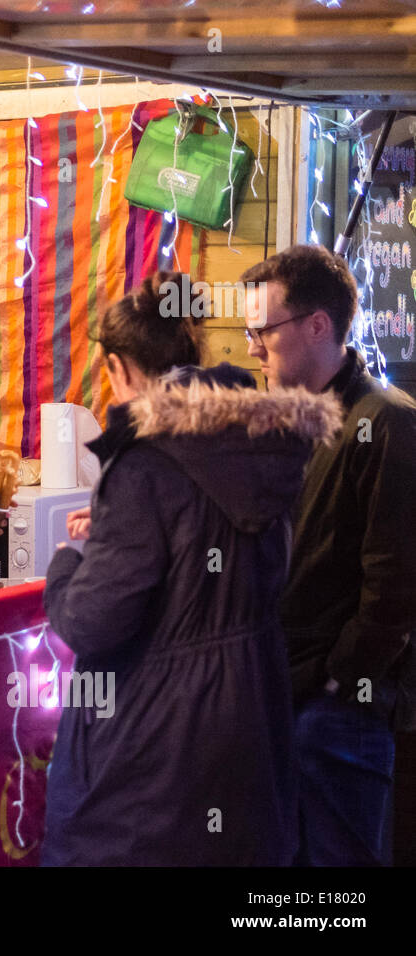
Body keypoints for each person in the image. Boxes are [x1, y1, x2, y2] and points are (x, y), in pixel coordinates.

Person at [42, 271, 341, 865]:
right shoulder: (260, 441)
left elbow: (93, 621)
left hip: (155, 748)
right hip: (251, 715)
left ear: (119, 369)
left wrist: (66, 565)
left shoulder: (145, 463)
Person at [241, 244, 416, 866]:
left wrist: (341, 678)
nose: (253, 346)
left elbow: (396, 582)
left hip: (339, 712)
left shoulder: (389, 420)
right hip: (284, 694)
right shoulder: (292, 423)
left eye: (263, 329)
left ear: (317, 325)